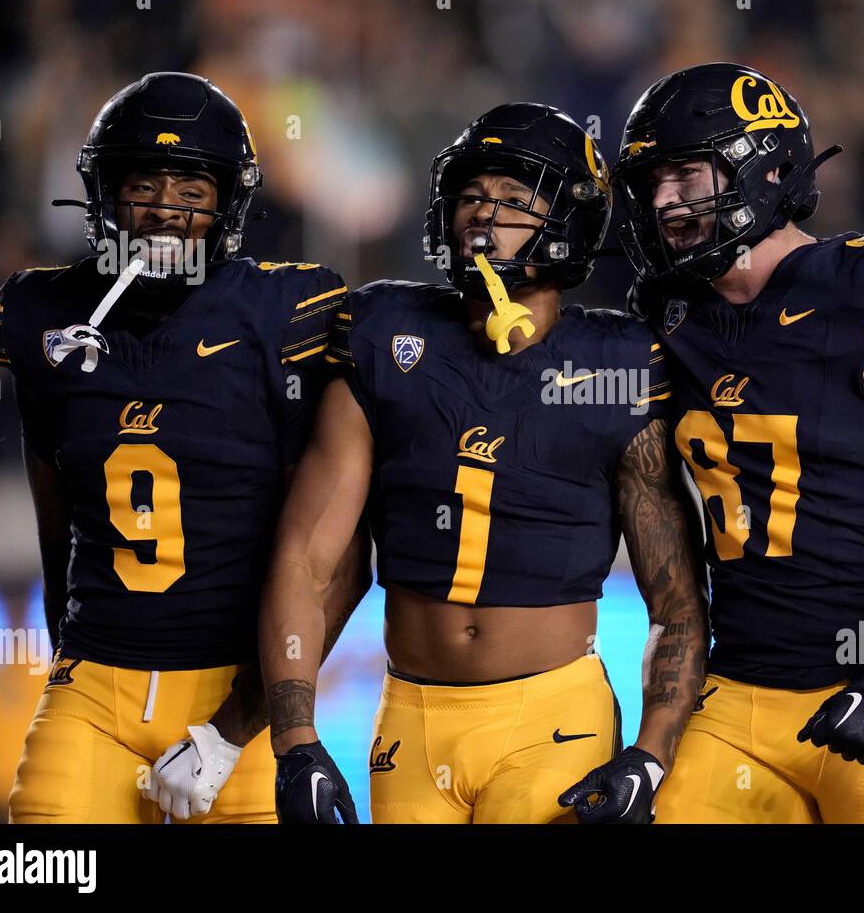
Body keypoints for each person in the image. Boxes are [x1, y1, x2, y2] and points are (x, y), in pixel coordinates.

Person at [260, 103, 709, 824]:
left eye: (514, 201)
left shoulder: (618, 361)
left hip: (555, 718)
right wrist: (296, 738)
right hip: (410, 713)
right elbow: (306, 559)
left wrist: (652, 754)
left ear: (570, 222)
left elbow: (677, 602)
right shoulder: (386, 332)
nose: (483, 216)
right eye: (472, 196)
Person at [616, 62, 864, 823]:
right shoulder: (669, 316)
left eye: (687, 174)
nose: (664, 201)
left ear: (769, 165)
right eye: (653, 181)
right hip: (737, 696)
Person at [0, 72, 367, 823]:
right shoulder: (39, 315)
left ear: (228, 205)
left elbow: (336, 563)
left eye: (192, 190)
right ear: (103, 194)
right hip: (94, 691)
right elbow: (54, 523)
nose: (165, 209)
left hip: (240, 695)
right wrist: (73, 652)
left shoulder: (285, 314)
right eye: (144, 185)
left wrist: (231, 733)